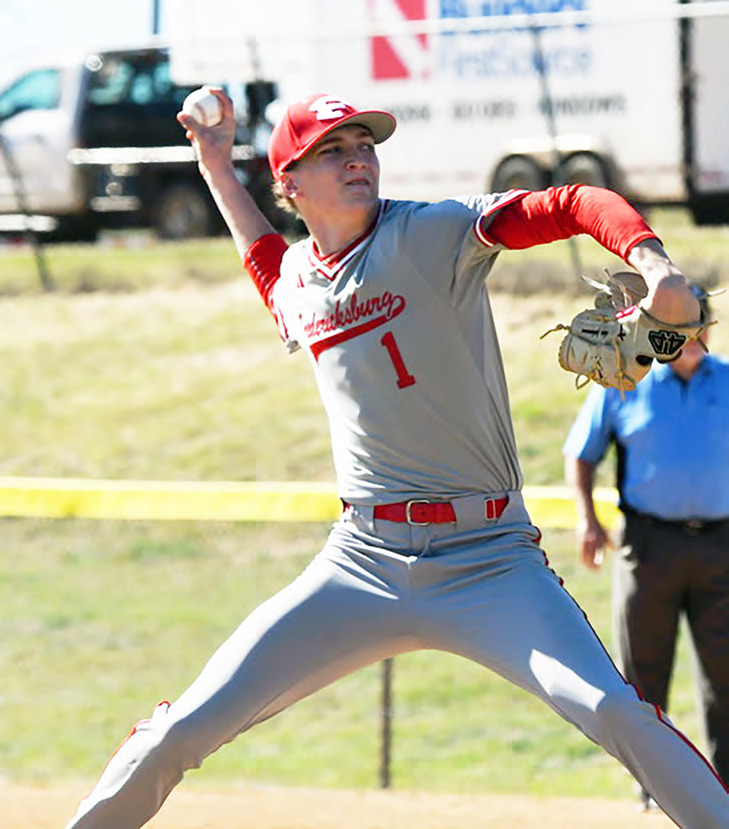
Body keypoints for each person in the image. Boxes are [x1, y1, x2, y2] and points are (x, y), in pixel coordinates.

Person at [64, 90, 729, 829]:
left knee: (615, 711)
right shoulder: (298, 281)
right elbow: (268, 269)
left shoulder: (432, 232)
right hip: (362, 561)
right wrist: (217, 167)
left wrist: (651, 261)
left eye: (363, 145)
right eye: (332, 150)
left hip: (489, 559)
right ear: (289, 183)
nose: (357, 159)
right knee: (183, 726)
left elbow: (571, 201)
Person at [563, 284, 729, 811]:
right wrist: (588, 521)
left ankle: (722, 793)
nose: (685, 335)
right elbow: (582, 454)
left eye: (693, 324)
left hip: (723, 548)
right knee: (643, 674)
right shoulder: (623, 382)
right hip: (649, 545)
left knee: (726, 676)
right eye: (673, 327)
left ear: (705, 327)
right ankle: (654, 790)